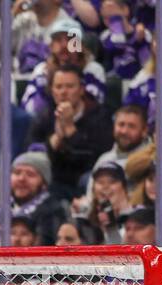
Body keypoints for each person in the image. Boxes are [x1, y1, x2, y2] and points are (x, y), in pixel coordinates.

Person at [27, 63, 113, 200]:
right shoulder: (44, 117)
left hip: (85, 178)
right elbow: (34, 153)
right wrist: (57, 137)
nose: (63, 92)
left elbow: (97, 157)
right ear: (52, 91)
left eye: (70, 86)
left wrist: (70, 129)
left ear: (81, 90)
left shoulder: (99, 115)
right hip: (54, 178)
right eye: (58, 87)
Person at [0, 150, 66, 246]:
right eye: (17, 173)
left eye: (30, 174)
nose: (21, 179)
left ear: (44, 184)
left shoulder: (52, 211)